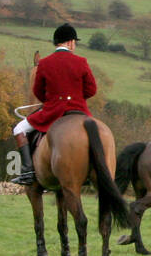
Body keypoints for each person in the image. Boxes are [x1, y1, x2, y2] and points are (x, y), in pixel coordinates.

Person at [10, 23, 97, 185]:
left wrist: (51, 101)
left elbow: (38, 91)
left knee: (18, 129)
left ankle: (28, 171)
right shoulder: (81, 61)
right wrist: (77, 98)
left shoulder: (44, 63)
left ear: (57, 42)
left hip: (52, 112)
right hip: (79, 110)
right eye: (75, 42)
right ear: (70, 42)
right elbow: (92, 90)